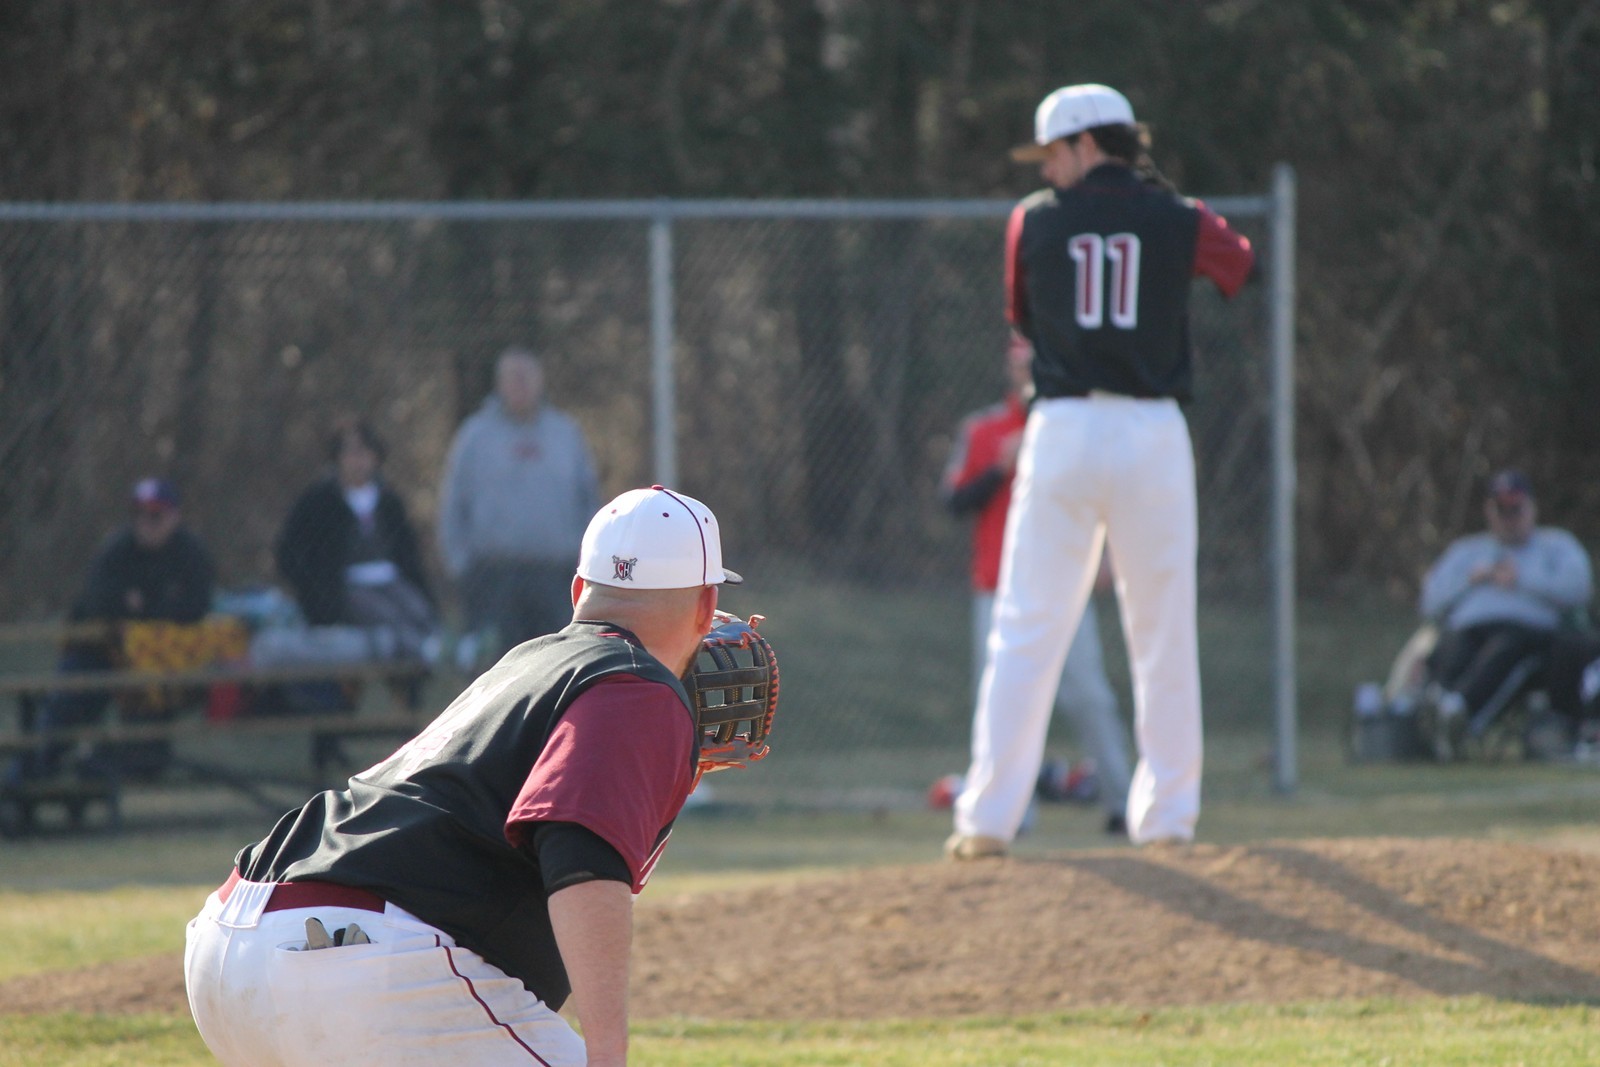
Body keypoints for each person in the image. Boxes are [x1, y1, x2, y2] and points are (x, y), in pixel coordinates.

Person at [185, 485, 743, 1067]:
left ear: (579, 591)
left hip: (232, 939)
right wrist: (607, 1053)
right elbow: (581, 852)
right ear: (706, 606)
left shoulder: (526, 664)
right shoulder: (636, 684)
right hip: (356, 956)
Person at [946, 84, 1254, 859]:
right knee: (1162, 626)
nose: (1049, 167)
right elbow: (1239, 266)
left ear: (1088, 145)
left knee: (1025, 625)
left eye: (1055, 151)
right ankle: (1169, 816)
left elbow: (1023, 314)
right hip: (1152, 428)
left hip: (1064, 427)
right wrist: (1169, 217)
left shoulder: (1035, 219)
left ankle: (987, 818)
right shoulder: (1179, 215)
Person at [941, 332, 1134, 836]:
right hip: (998, 587)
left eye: (1035, 359)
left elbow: (1101, 492)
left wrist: (1108, 551)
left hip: (1064, 584)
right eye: (1019, 359)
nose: (1026, 368)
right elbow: (955, 502)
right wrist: (1000, 466)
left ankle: (1124, 804)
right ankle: (1007, 814)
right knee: (1000, 699)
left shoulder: (1075, 427)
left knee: (1089, 696)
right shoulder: (985, 429)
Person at [7, 477, 215, 782]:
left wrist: (141, 609)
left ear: (174, 516)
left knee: (150, 723)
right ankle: (22, 782)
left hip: (157, 661)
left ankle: (109, 769)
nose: (146, 522)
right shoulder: (117, 548)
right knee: (65, 708)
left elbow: (196, 606)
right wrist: (148, 610)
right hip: (100, 651)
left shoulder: (190, 552)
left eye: (155, 515)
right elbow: (96, 602)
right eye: (139, 514)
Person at [438, 346, 600, 665]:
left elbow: (589, 500)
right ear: (498, 383)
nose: (520, 384)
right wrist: (461, 566)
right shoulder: (475, 436)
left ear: (541, 381)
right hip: (493, 576)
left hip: (557, 576)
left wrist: (590, 565)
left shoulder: (565, 434)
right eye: (512, 377)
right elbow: (452, 505)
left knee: (559, 664)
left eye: (527, 376)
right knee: (498, 668)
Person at [1419, 469, 1592, 759]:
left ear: (1531, 508)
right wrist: (1469, 581)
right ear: (1489, 511)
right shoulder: (1467, 551)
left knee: (1504, 647)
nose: (1509, 517)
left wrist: (1521, 580)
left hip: (1529, 633)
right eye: (1501, 509)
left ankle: (1459, 710)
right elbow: (1428, 602)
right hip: (1468, 630)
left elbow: (1579, 589)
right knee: (1452, 646)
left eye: (1516, 509)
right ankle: (1437, 709)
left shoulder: (1555, 545)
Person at [272, 415, 440, 663]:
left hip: (389, 579)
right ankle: (425, 652)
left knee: (419, 611)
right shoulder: (319, 502)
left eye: (364, 453)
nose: (358, 461)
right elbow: (289, 551)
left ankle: (446, 649)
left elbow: (408, 553)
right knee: (387, 618)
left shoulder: (388, 501)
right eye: (350, 453)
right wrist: (317, 591)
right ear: (338, 458)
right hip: (348, 586)